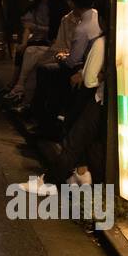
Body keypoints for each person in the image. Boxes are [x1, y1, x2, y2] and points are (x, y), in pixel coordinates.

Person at [22, 12, 107, 195]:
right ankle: (86, 178)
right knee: (92, 143)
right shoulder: (127, 40)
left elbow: (90, 79)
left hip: (99, 97)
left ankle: (50, 182)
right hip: (114, 100)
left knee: (74, 139)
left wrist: (87, 76)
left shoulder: (102, 43)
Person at [30, 0, 99, 137]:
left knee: (46, 72)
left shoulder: (82, 28)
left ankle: (45, 122)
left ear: (74, 3)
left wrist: (60, 57)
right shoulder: (95, 16)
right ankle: (44, 118)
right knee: (49, 73)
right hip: (88, 65)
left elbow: (72, 61)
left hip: (82, 68)